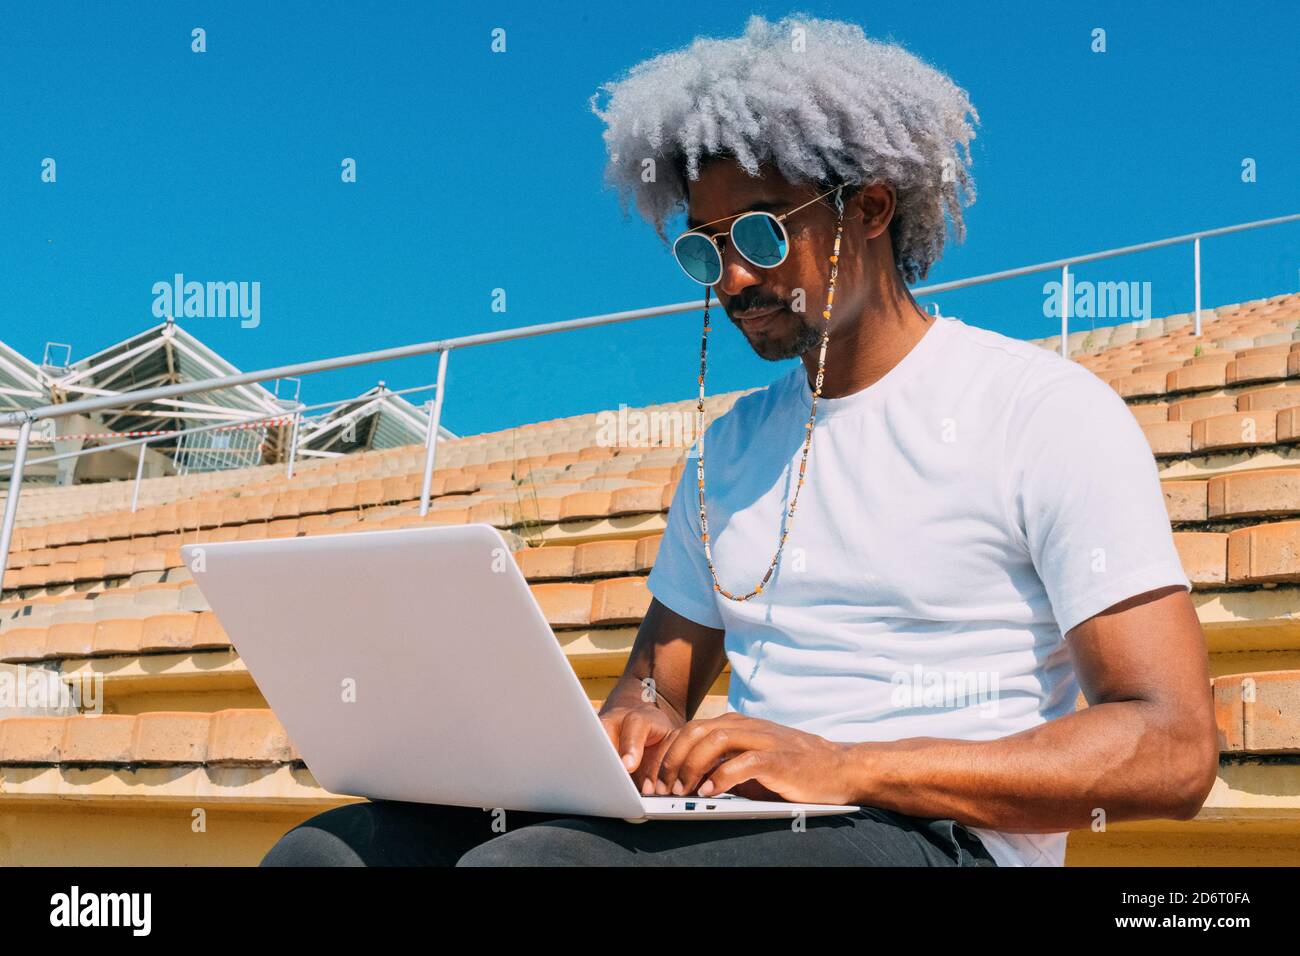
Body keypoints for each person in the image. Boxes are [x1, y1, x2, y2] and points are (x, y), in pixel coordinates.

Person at [262, 13, 1217, 867]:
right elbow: (655, 690)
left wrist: (846, 764)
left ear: (872, 208)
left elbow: (1172, 749)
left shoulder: (1042, 411)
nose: (729, 278)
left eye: (758, 236)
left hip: (939, 836)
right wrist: (630, 733)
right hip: (740, 817)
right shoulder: (726, 455)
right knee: (336, 852)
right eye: (702, 246)